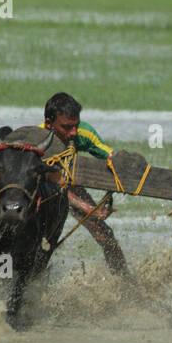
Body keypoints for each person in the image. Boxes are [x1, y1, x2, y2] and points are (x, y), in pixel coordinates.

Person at [40, 92, 129, 277]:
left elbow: (110, 157)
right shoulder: (37, 141)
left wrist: (118, 171)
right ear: (49, 124)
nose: (73, 133)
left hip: (68, 183)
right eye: (66, 127)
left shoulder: (83, 133)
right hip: (40, 190)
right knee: (38, 240)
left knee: (105, 235)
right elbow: (54, 181)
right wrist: (90, 208)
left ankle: (125, 281)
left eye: (76, 126)